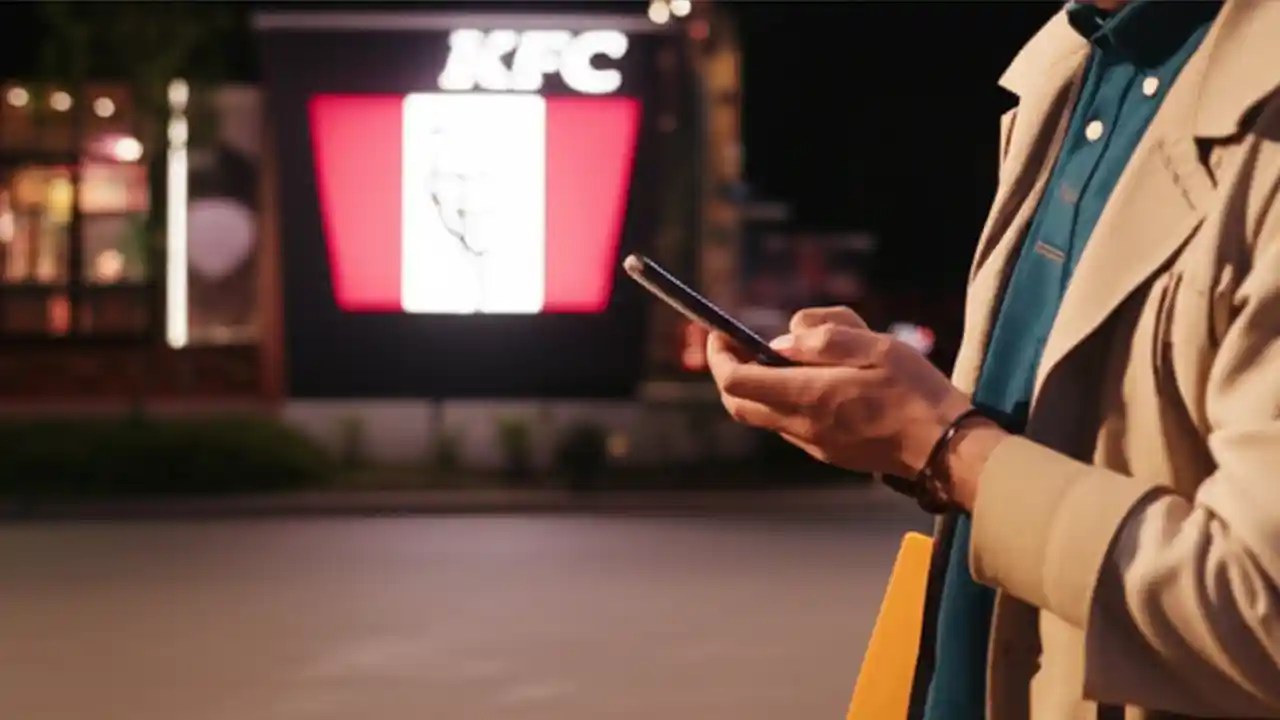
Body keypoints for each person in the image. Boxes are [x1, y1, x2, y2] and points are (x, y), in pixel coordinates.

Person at [706, 1, 1280, 718]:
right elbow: (1066, 442)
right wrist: (887, 417)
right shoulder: (1072, 63)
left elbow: (1261, 614)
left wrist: (945, 446)